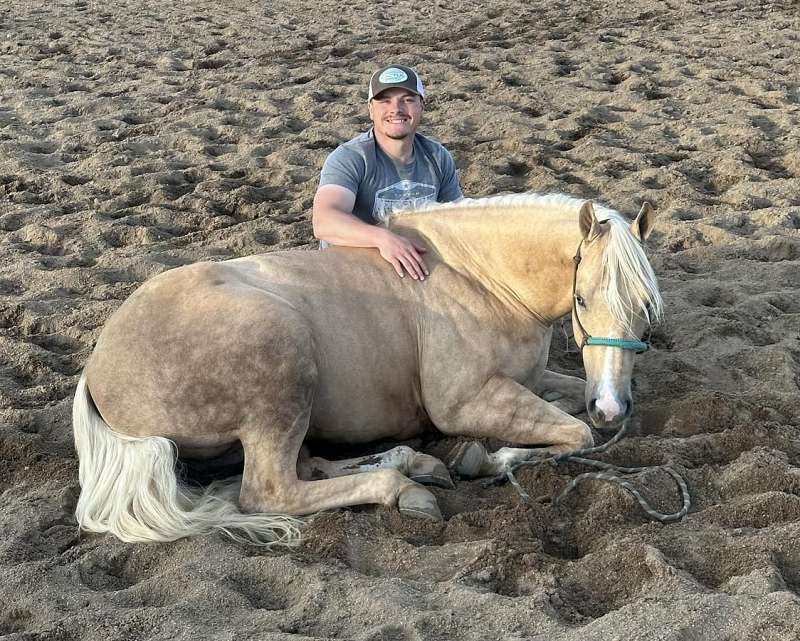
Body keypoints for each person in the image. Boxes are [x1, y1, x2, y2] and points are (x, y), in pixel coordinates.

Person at [312, 64, 463, 280]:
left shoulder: (437, 157)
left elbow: (457, 218)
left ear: (422, 106)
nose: (396, 109)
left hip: (419, 270)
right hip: (352, 275)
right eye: (385, 101)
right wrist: (383, 239)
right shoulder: (350, 157)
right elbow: (324, 221)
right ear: (371, 109)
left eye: (408, 100)